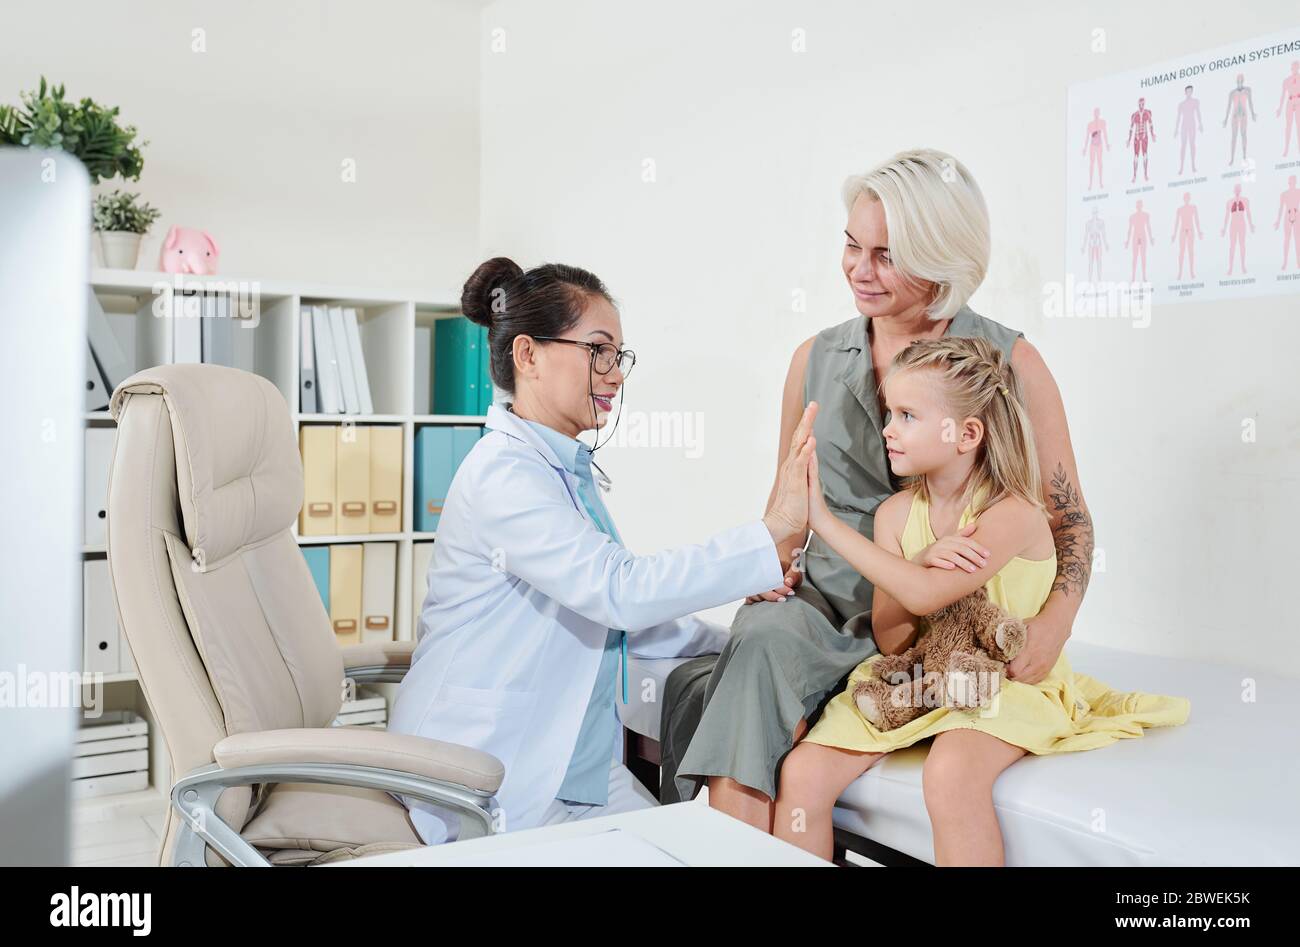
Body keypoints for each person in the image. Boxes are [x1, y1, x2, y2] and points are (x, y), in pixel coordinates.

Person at [667, 148, 1098, 837]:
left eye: (886, 256)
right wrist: (769, 562)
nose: (858, 271)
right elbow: (788, 504)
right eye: (851, 246)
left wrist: (1054, 625)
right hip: (831, 608)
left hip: (954, 627)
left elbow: (1069, 519)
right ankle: (735, 853)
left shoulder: (1011, 363)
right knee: (758, 644)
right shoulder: (812, 359)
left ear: (944, 259)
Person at [387, 256, 818, 843]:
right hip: (486, 776)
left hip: (575, 771)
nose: (615, 373)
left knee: (713, 848)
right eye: (598, 351)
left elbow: (625, 622)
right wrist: (771, 533)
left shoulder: (563, 471)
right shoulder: (505, 477)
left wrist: (743, 642)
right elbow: (620, 592)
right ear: (528, 355)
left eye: (619, 356)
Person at [772, 337, 1191, 864]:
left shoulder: (1012, 512)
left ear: (966, 434)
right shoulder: (895, 517)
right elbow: (893, 636)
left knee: (950, 773)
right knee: (802, 773)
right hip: (924, 678)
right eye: (889, 413)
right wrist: (917, 558)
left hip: (1006, 682)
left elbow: (930, 594)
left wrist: (824, 521)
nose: (888, 430)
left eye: (906, 415)